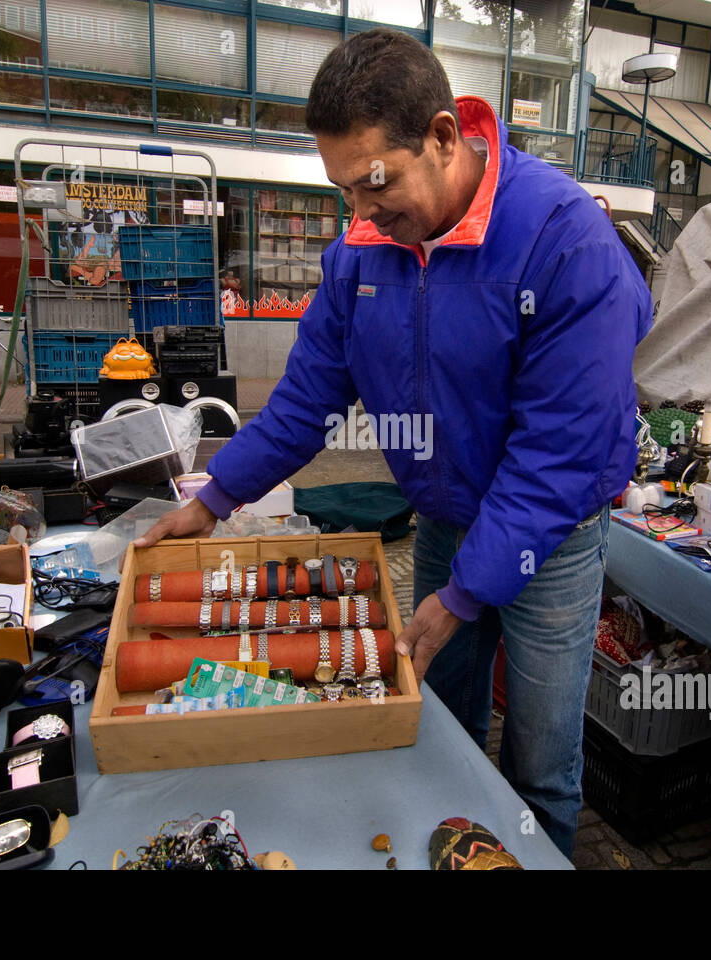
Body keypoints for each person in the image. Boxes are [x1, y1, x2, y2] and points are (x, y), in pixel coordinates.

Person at [134, 28, 652, 855]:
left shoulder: (563, 242)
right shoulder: (360, 256)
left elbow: (560, 456)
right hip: (445, 524)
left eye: (375, 182)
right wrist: (217, 498)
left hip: (547, 547)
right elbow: (306, 400)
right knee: (438, 722)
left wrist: (463, 594)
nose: (360, 212)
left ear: (444, 138)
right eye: (344, 189)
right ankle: (440, 845)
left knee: (540, 761)